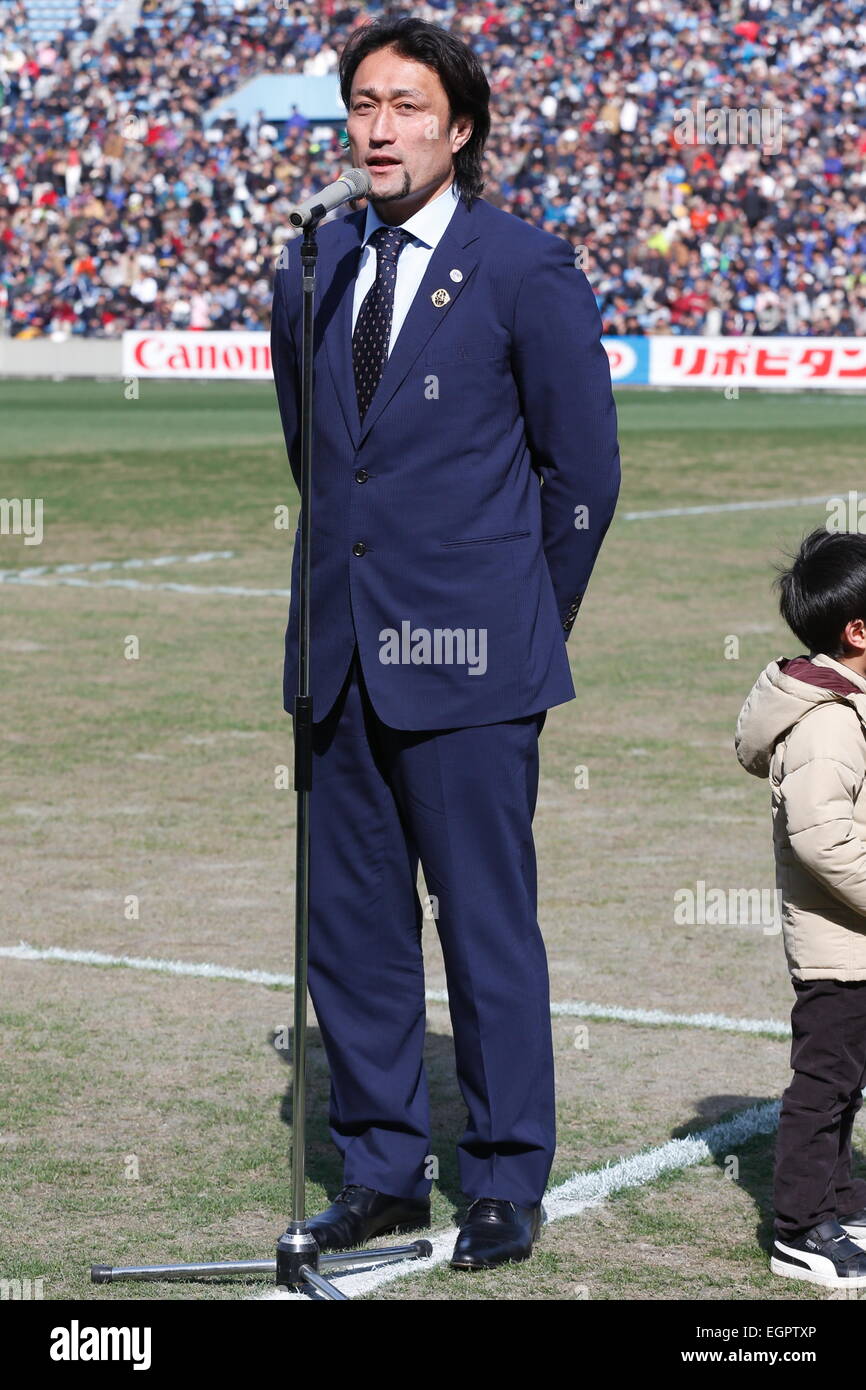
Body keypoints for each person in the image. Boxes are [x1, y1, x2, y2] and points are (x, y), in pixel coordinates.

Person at [270, 16, 620, 1272]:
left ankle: (502, 1180)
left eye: (407, 105)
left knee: (483, 925)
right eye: (362, 102)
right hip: (337, 658)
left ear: (456, 128)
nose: (378, 126)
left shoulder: (524, 265)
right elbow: (318, 460)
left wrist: (524, 620)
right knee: (350, 935)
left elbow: (580, 474)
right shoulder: (311, 266)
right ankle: (378, 1174)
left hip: (473, 664)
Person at [735, 526, 866, 1289]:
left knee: (847, 1082)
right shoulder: (826, 725)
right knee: (823, 1086)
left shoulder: (849, 706)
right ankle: (799, 1228)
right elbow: (825, 841)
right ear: (857, 631)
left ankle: (839, 1198)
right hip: (839, 950)